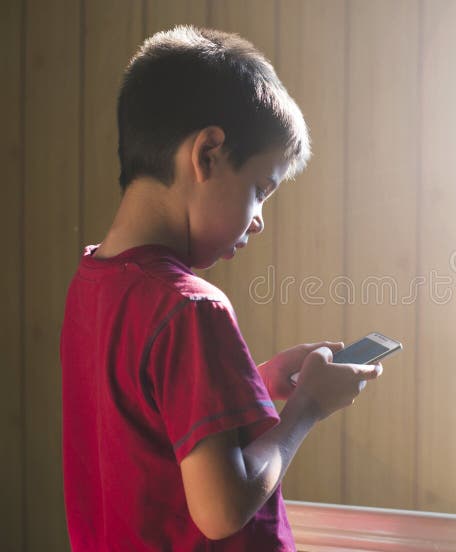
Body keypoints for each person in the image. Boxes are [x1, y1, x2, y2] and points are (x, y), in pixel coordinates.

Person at [59, 25, 381, 550]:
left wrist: (254, 383)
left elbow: (145, 426)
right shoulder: (190, 307)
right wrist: (306, 409)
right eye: (260, 189)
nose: (258, 221)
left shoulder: (92, 282)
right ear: (208, 154)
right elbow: (221, 508)